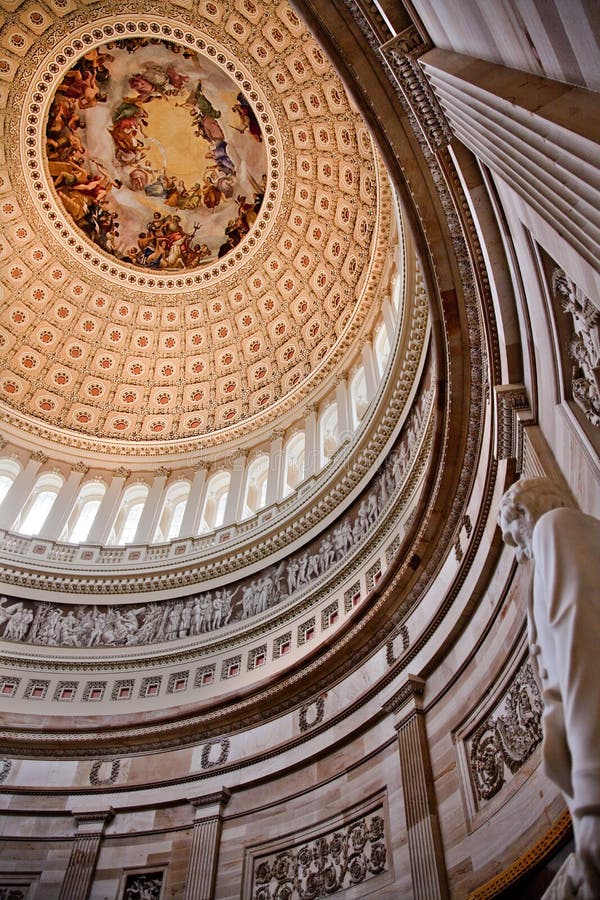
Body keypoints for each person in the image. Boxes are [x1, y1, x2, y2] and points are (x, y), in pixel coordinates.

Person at [498, 478, 600, 899]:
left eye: (511, 523)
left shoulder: (555, 528)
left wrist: (592, 791)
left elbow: (583, 648)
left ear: (530, 511)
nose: (510, 539)